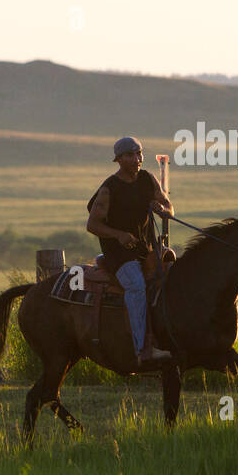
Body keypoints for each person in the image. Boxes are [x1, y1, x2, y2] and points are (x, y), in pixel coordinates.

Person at [86, 137, 174, 364]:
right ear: (119, 160)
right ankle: (143, 350)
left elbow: (169, 208)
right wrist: (119, 235)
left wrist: (161, 209)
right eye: (130, 155)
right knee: (136, 285)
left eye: (139, 154)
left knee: (175, 276)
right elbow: (92, 225)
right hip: (119, 254)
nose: (137, 159)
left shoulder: (147, 179)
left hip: (146, 248)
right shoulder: (109, 189)